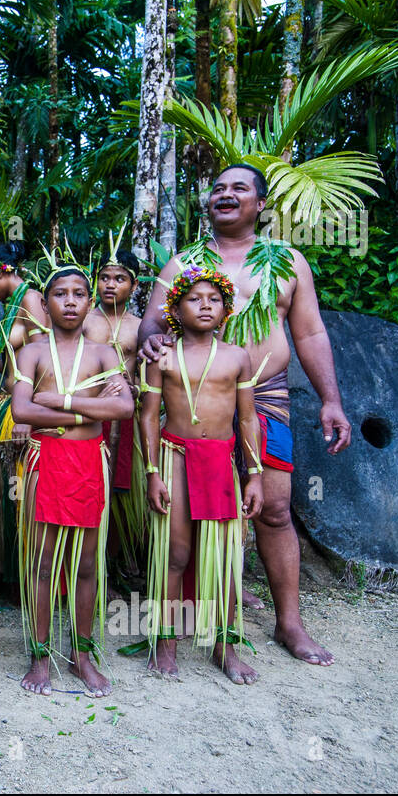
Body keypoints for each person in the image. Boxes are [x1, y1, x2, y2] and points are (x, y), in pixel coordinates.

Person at [137, 164, 351, 666]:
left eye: (239, 189)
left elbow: (311, 334)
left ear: (260, 204)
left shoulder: (286, 261)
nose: (225, 196)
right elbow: (150, 322)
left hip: (267, 395)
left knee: (273, 508)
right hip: (190, 400)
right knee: (184, 512)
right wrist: (149, 339)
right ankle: (187, 619)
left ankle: (289, 624)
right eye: (217, 189)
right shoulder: (185, 263)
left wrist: (330, 398)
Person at [11, 263, 132, 696]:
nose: (70, 301)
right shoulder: (33, 351)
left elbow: (123, 409)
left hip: (88, 462)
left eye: (79, 293)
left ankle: (81, 654)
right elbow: (22, 411)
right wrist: (88, 407)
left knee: (85, 564)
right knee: (44, 562)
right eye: (60, 294)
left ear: (89, 301)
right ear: (45, 304)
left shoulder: (104, 353)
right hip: (48, 460)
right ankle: (40, 655)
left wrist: (59, 401)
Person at [139, 267, 264, 684]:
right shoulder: (163, 355)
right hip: (175, 457)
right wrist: (152, 472)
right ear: (174, 308)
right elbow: (148, 416)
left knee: (225, 559)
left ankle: (226, 647)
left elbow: (248, 419)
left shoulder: (237, 356)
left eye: (214, 298)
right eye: (195, 298)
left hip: (219, 462)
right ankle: (165, 641)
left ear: (226, 309)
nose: (205, 304)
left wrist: (255, 475)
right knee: (175, 554)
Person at [0, 241, 49, 583]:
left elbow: (39, 358)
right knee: (4, 486)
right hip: (10, 405)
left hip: (21, 409)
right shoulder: (14, 304)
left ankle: (26, 572)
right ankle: (8, 568)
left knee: (17, 489)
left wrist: (27, 415)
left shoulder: (30, 298)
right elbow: (11, 362)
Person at [82, 244, 146, 587]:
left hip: (126, 418)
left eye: (119, 278)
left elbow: (148, 373)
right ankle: (88, 569)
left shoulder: (139, 327)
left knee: (122, 494)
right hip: (90, 414)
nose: (110, 284)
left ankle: (118, 565)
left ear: (133, 285)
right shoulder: (83, 319)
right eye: (104, 277)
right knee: (94, 489)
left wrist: (135, 388)